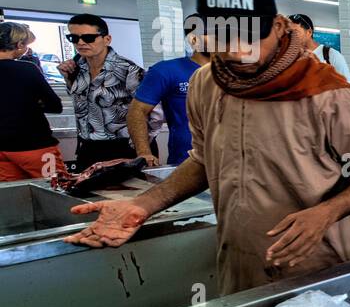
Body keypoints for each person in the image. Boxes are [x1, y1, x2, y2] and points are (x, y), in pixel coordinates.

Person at [65, 0, 350, 295]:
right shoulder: (205, 85)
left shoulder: (325, 89)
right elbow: (204, 160)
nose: (240, 51)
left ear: (277, 25)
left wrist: (325, 214)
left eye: (252, 37)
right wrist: (144, 204)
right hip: (245, 266)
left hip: (329, 268)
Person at [58, 13, 152, 170]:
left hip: (123, 146)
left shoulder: (129, 70)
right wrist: (68, 79)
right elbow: (80, 101)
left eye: (88, 38)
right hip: (88, 147)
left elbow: (147, 113)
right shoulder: (76, 68)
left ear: (107, 39)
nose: (80, 43)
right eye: (74, 38)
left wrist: (143, 151)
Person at [128, 25, 209, 167]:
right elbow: (137, 111)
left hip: (233, 162)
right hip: (187, 161)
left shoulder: (236, 71)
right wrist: (144, 152)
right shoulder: (166, 70)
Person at [0, 21, 67, 182]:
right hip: (35, 146)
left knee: (13, 197)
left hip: (2, 149)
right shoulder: (27, 69)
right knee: (57, 190)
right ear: (19, 44)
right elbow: (54, 105)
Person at [287, 13, 350, 83]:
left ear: (309, 32)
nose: (291, 36)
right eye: (289, 32)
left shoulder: (331, 55)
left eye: (295, 32)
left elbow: (348, 87)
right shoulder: (291, 59)